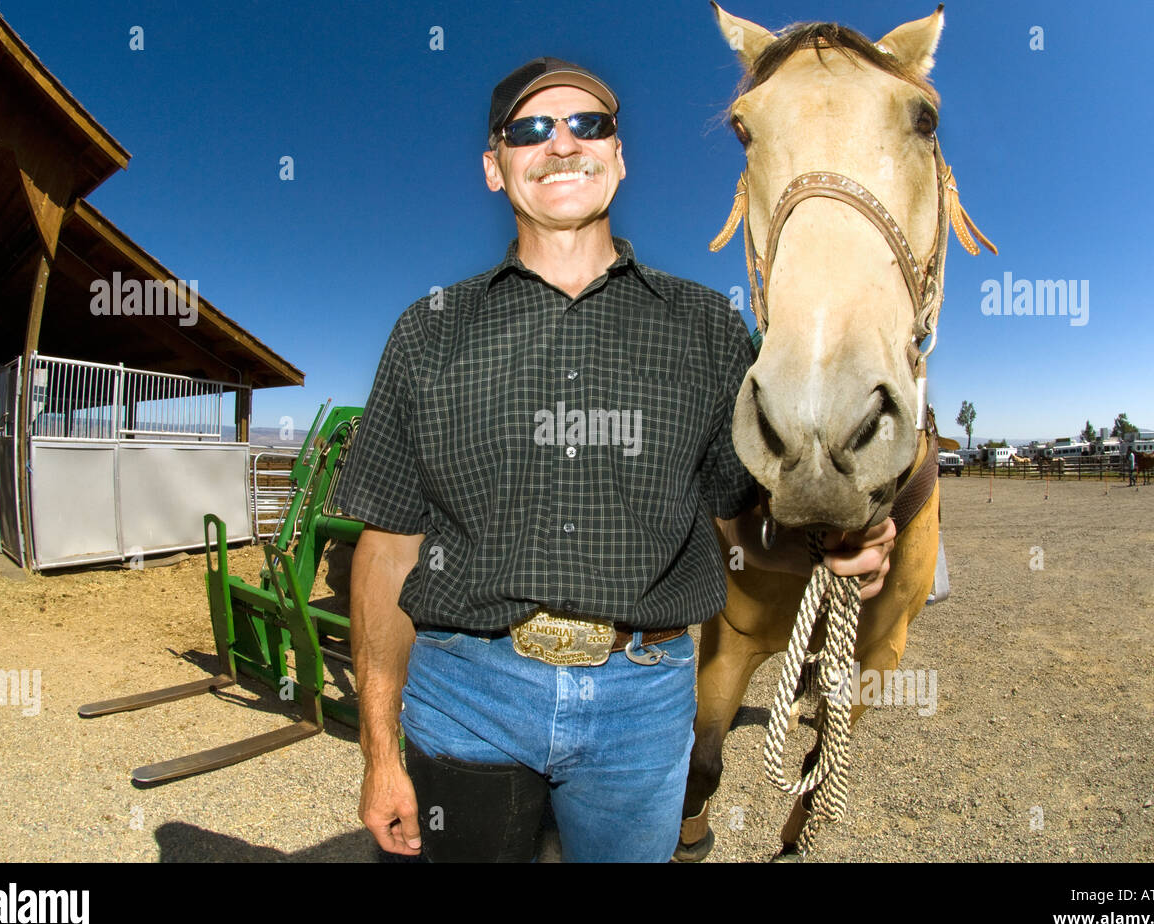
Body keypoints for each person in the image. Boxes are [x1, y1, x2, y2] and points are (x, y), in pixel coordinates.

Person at [333, 57, 896, 863]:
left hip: (645, 702)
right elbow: (387, 550)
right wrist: (380, 751)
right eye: (531, 129)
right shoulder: (428, 332)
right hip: (465, 694)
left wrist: (826, 546)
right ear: (495, 170)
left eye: (587, 124)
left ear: (619, 157)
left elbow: (743, 524)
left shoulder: (707, 328)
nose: (562, 143)